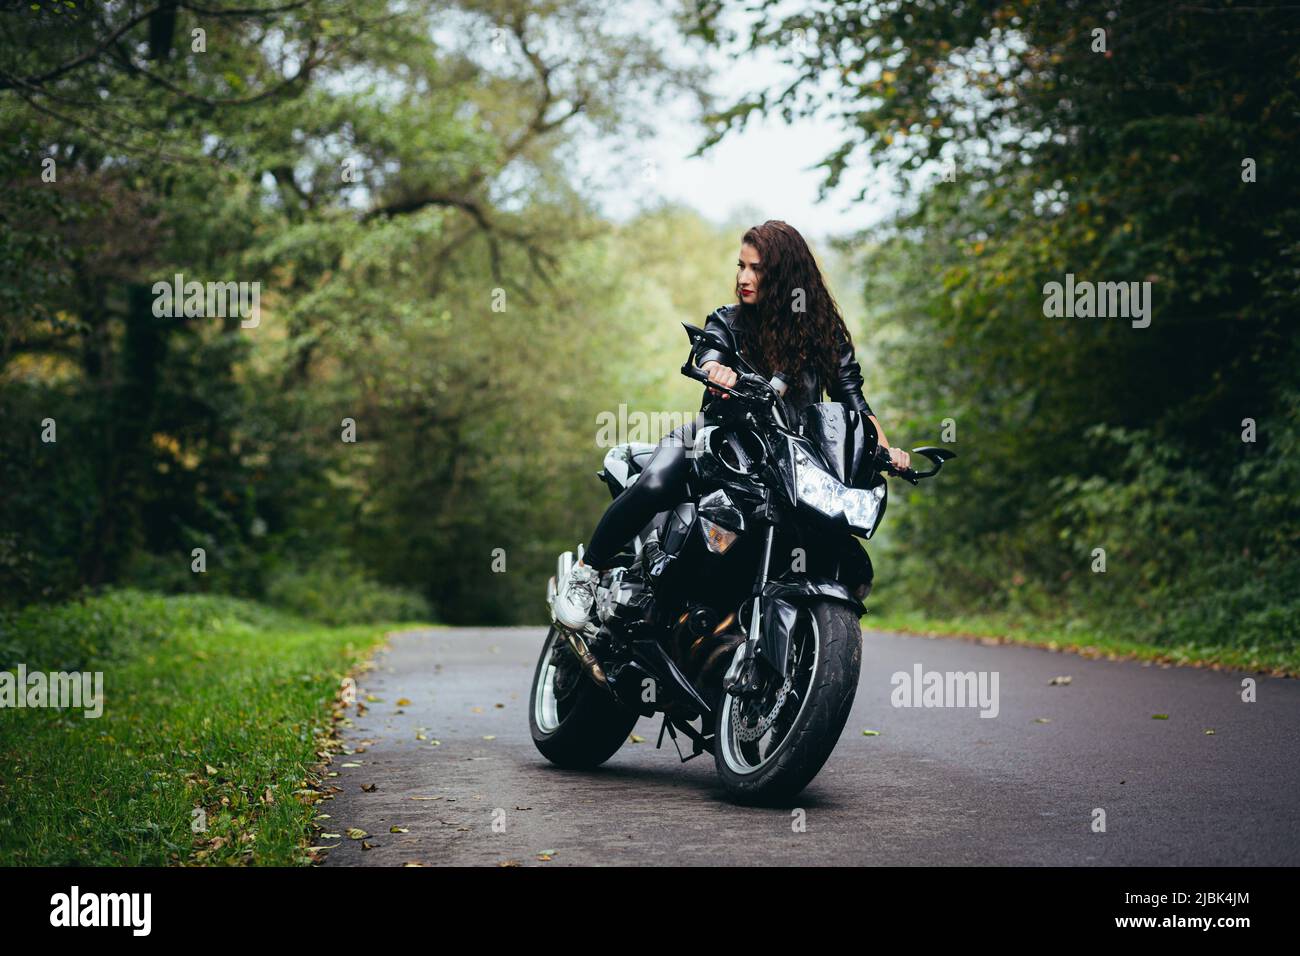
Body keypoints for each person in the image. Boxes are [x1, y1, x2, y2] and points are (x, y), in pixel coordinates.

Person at [551, 219, 910, 632]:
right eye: (741, 266)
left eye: (757, 269)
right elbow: (711, 351)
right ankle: (586, 571)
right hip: (717, 438)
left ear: (787, 276)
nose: (743, 277)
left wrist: (884, 449)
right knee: (655, 483)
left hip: (790, 458)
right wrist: (715, 369)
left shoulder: (823, 333)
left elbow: (853, 399)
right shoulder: (729, 320)